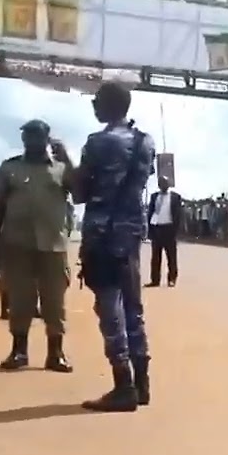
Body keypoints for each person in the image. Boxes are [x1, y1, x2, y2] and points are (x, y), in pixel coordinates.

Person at [70, 82, 156, 412]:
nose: (93, 105)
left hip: (103, 235)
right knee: (133, 308)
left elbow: (80, 193)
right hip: (131, 232)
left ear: (109, 105)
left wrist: (66, 162)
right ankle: (142, 384)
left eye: (97, 101)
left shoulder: (98, 142)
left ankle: (123, 386)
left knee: (109, 310)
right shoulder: (145, 141)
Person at [0, 120, 75, 372]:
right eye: (27, 135)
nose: (30, 140)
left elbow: (80, 193)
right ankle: (19, 351)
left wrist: (68, 159)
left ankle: (55, 353)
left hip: (53, 245)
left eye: (36, 135)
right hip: (17, 243)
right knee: (20, 299)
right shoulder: (10, 168)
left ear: (47, 138)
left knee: (54, 300)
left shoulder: (61, 168)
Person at [146, 174, 182, 287]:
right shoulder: (154, 196)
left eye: (165, 183)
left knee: (171, 256)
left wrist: (175, 230)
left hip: (169, 229)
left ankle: (172, 279)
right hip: (157, 228)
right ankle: (155, 280)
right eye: (160, 183)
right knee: (155, 257)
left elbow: (178, 215)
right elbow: (150, 212)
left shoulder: (175, 197)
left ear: (168, 184)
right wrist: (150, 229)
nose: (163, 185)